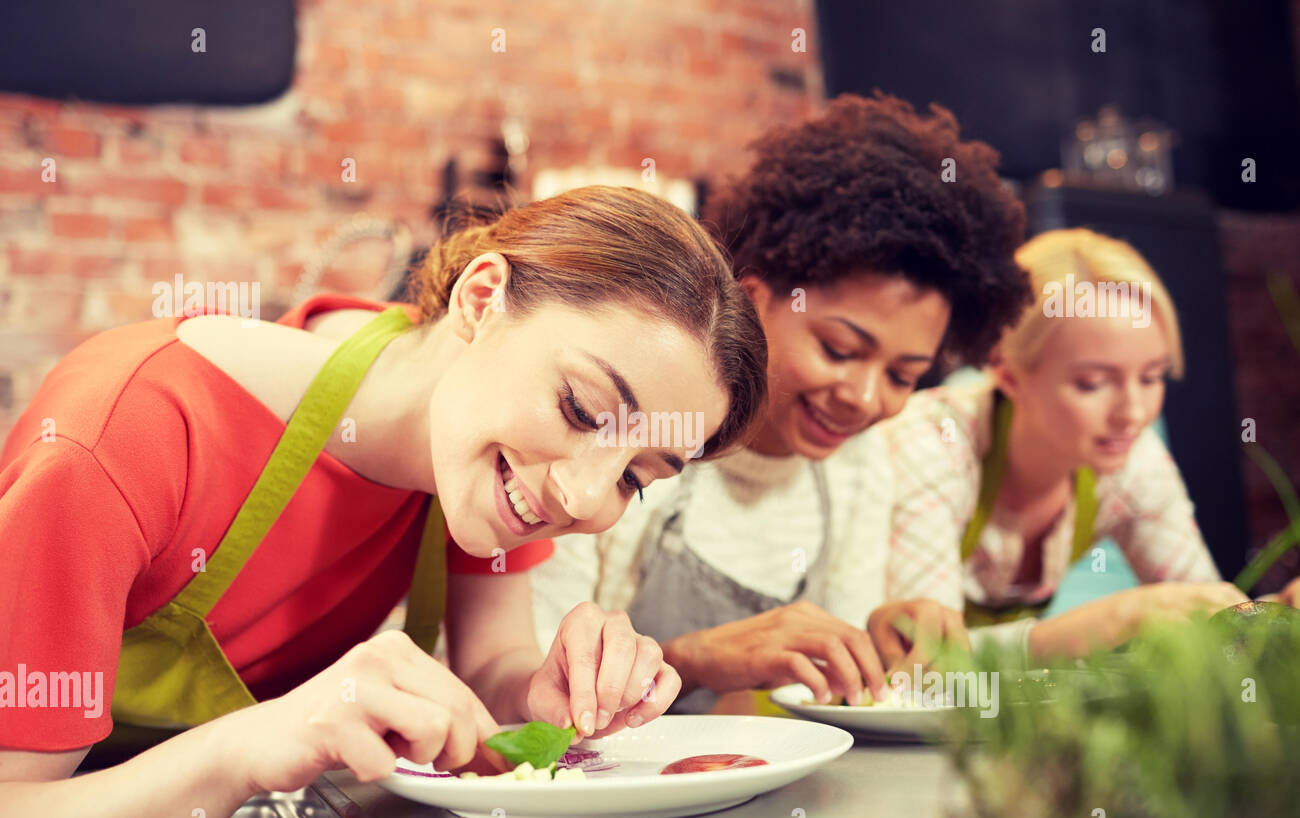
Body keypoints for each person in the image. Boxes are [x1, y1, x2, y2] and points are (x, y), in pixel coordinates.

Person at [0, 185, 768, 818]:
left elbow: (493, 663)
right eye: (582, 411)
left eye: (635, 476)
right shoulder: (120, 441)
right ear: (479, 300)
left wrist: (544, 694)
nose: (579, 492)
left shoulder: (465, 443)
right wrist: (253, 743)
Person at [531, 93, 1032, 713]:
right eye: (840, 348)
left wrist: (872, 652)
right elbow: (526, 694)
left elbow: (830, 704)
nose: (865, 398)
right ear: (755, 299)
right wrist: (688, 661)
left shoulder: (860, 468)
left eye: (904, 376)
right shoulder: (634, 438)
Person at [880, 227, 1297, 666]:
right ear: (1007, 373)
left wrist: (1276, 614)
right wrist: (1113, 619)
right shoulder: (930, 442)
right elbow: (924, 662)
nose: (1133, 413)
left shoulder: (1131, 458)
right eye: (1093, 383)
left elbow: (1207, 620)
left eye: (1152, 377)